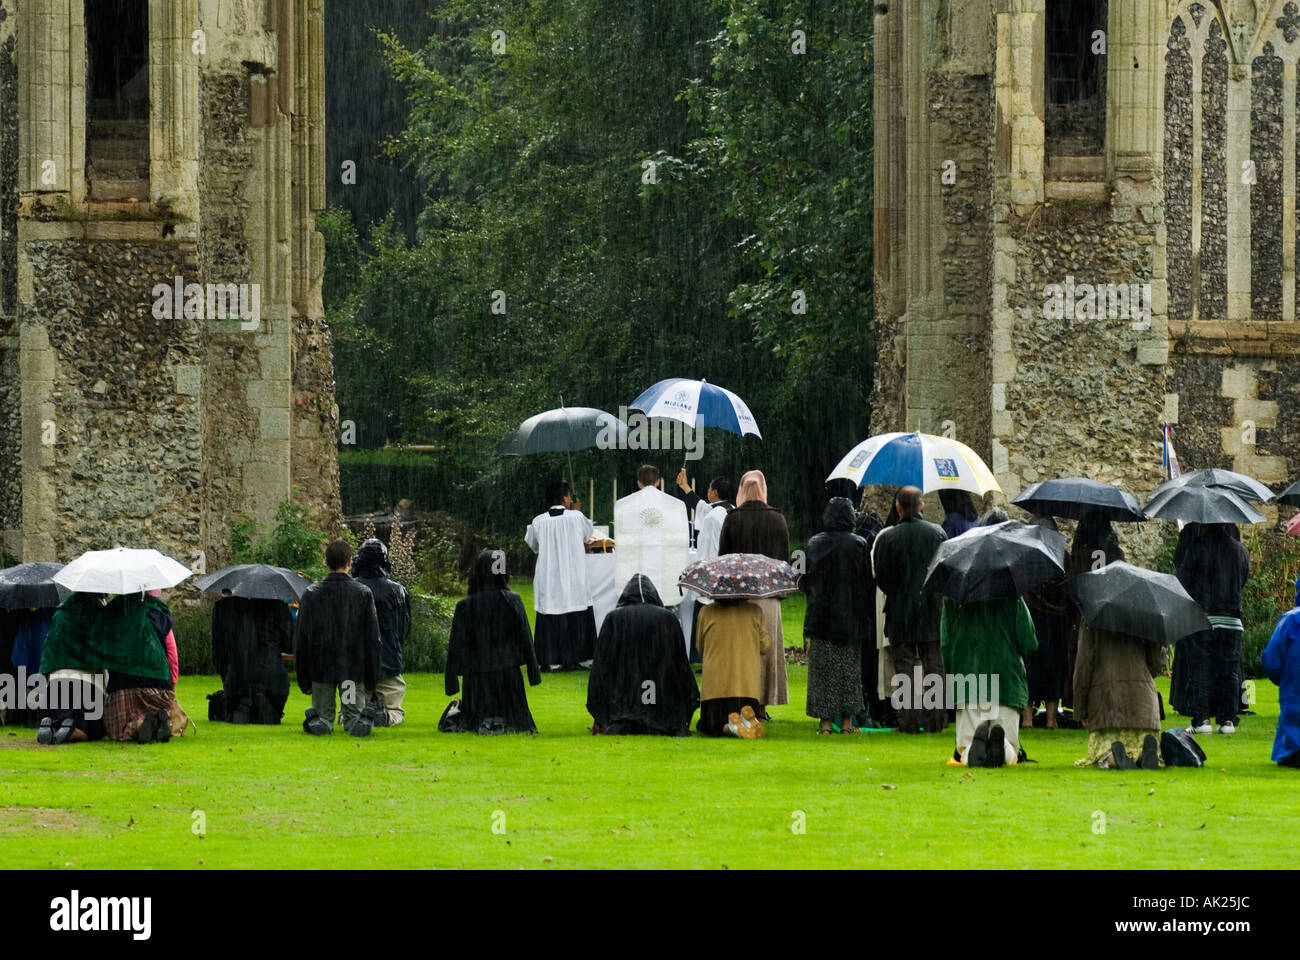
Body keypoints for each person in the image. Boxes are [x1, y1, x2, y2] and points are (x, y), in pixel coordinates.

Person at [872, 485, 948, 734]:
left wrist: (901, 591)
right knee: (933, 664)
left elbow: (881, 577)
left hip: (900, 609)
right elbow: (944, 570)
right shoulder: (937, 534)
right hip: (930, 608)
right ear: (922, 505)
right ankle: (936, 719)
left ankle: (910, 720)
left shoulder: (887, 537)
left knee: (904, 666)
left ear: (898, 508)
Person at [587, 575, 699, 736]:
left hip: (622, 707)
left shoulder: (614, 618)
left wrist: (600, 713)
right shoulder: (667, 618)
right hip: (662, 707)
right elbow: (680, 664)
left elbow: (601, 666)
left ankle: (631, 718)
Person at [444, 550, 542, 734]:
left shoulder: (465, 606)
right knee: (515, 723)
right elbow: (526, 638)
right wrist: (533, 672)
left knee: (474, 721)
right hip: (508, 677)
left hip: (476, 679)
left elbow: (455, 646)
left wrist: (451, 682)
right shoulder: (513, 601)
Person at [718, 470, 790, 718]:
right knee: (766, 651)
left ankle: (742, 698)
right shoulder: (777, 519)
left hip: (739, 595)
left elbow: (724, 559)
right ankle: (762, 704)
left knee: (742, 651)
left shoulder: (732, 518)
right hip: (767, 595)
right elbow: (784, 562)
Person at [295, 539, 381, 737]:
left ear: (325, 562)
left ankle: (320, 721)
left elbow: (301, 639)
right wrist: (371, 676)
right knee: (352, 716)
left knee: (323, 715)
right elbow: (373, 639)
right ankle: (358, 722)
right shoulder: (362, 593)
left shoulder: (311, 594)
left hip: (321, 668)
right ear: (350, 561)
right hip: (351, 669)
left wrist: (303, 677)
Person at [1171, 522, 1250, 735]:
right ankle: (1228, 720)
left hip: (1202, 616)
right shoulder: (1240, 551)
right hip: (1232, 618)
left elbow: (1183, 581)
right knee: (1229, 670)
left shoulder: (1196, 547)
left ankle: (1202, 719)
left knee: (1200, 668)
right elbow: (1242, 579)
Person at [801, 497, 871, 734]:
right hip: (850, 618)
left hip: (822, 617)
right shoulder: (859, 544)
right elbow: (865, 582)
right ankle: (849, 722)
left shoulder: (815, 543)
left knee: (823, 672)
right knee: (849, 672)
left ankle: (826, 724)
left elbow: (806, 579)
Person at [940, 595, 1037, 766]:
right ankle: (1003, 749)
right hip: (1006, 682)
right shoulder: (1012, 596)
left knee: (966, 745)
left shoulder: (953, 598)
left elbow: (946, 645)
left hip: (968, 679)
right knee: (1011, 749)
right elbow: (1029, 642)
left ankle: (972, 751)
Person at [525, 480, 597, 671]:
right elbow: (587, 535)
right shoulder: (576, 517)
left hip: (549, 574)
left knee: (550, 612)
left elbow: (533, 545)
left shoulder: (539, 521)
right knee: (575, 612)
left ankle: (547, 659)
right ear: (566, 498)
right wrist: (577, 510)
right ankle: (574, 657)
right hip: (572, 573)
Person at [1072, 624, 1164, 770]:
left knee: (1102, 753)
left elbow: (1085, 663)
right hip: (1144, 704)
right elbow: (1156, 662)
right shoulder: (1145, 613)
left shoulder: (1095, 617)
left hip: (1108, 702)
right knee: (1141, 744)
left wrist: (1082, 709)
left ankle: (1113, 758)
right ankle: (1141, 755)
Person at [1063, 510, 1125, 709]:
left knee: (1080, 655)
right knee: (1106, 655)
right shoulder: (1115, 553)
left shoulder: (1080, 554)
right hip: (1108, 611)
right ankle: (1105, 697)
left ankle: (1077, 699)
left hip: (1083, 611)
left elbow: (1072, 583)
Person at [353, 538, 412, 726]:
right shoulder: (398, 590)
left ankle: (357, 714)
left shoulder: (351, 589)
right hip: (389, 658)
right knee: (394, 707)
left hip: (357, 661)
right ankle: (387, 716)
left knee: (350, 708)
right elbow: (404, 628)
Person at [614, 466, 690, 609]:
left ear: (638, 483)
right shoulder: (675, 505)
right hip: (666, 580)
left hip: (636, 581)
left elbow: (624, 542)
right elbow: (679, 541)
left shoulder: (624, 505)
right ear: (658, 482)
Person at [210, 596, 294, 723]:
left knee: (236, 696)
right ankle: (265, 706)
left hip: (237, 677)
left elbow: (218, 649)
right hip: (273, 678)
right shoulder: (278, 607)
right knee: (274, 696)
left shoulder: (222, 607)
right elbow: (290, 644)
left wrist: (227, 675)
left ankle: (243, 703)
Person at [695, 597, 771, 737]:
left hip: (715, 690)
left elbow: (700, 647)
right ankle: (746, 723)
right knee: (745, 709)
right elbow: (765, 646)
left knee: (709, 726)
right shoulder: (755, 611)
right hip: (746, 688)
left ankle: (729, 728)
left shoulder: (706, 612)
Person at [1022, 512, 1069, 729]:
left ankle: (1027, 718)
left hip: (1032, 617)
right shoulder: (1062, 555)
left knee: (1029, 667)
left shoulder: (1027, 554)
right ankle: (1051, 720)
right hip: (1057, 620)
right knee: (1053, 667)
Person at [1262, 574, 1300, 767]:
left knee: (1293, 718)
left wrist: (1282, 679)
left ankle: (1292, 754)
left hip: (1294, 686)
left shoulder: (1291, 620)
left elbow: (1272, 659)